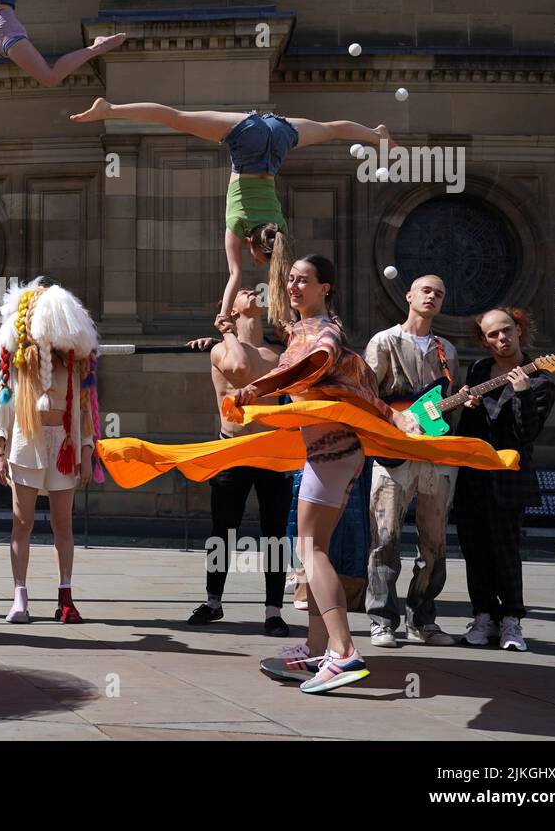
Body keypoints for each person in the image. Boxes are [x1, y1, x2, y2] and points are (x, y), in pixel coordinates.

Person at [97, 256, 518, 693]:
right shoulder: (302, 329)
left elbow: (311, 363)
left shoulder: (323, 331)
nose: (294, 287)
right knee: (314, 551)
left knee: (311, 551)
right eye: (291, 280)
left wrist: (257, 388)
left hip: (332, 453)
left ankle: (343, 652)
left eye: (305, 281)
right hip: (327, 453)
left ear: (325, 288)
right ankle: (318, 646)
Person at [69, 97, 389, 326]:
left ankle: (376, 135)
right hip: (247, 141)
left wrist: (291, 316)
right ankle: (109, 109)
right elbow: (235, 276)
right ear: (253, 244)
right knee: (176, 118)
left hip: (277, 136)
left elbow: (283, 275)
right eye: (257, 258)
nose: (254, 261)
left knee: (331, 129)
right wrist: (222, 316)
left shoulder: (279, 227)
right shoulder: (237, 224)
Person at [0, 278, 101, 624]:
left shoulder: (76, 365)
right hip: (26, 445)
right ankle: (20, 595)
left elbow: (83, 412)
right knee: (22, 522)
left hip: (63, 448)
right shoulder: (19, 362)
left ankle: (65, 595)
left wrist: (86, 452)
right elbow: (3, 403)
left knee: (62, 523)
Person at [363, 275, 460, 648]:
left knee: (434, 543)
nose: (433, 296)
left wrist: (460, 403)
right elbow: (367, 395)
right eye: (427, 290)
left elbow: (443, 403)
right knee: (384, 539)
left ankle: (422, 619)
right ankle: (381, 620)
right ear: (409, 295)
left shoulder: (446, 351)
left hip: (435, 456)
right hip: (393, 454)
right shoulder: (384, 341)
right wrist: (398, 418)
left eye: (440, 292)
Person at [189, 288, 291, 637]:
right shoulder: (221, 348)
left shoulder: (279, 353)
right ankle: (213, 602)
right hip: (232, 448)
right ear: (230, 310)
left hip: (273, 450)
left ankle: (274, 611)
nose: (253, 291)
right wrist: (226, 332)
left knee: (275, 534)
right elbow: (240, 368)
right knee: (223, 531)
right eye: (243, 291)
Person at [455, 307, 555, 653]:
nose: (502, 338)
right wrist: (469, 409)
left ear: (518, 330)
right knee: (474, 550)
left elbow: (526, 433)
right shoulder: (480, 371)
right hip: (473, 478)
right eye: (493, 334)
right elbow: (468, 433)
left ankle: (511, 620)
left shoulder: (542, 380)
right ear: (484, 340)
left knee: (506, 553)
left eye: (507, 331)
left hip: (509, 479)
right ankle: (484, 615)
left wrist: (524, 394)